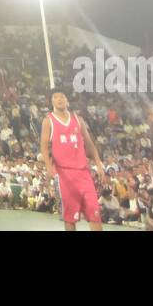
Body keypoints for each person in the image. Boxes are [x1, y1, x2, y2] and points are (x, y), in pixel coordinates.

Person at [40, 91, 107, 231]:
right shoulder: (48, 121)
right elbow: (44, 147)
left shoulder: (78, 119)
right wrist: (49, 168)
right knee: (70, 218)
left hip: (84, 173)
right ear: (52, 102)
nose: (59, 99)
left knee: (95, 214)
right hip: (64, 175)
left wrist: (98, 164)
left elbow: (89, 143)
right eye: (56, 97)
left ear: (67, 100)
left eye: (62, 96)